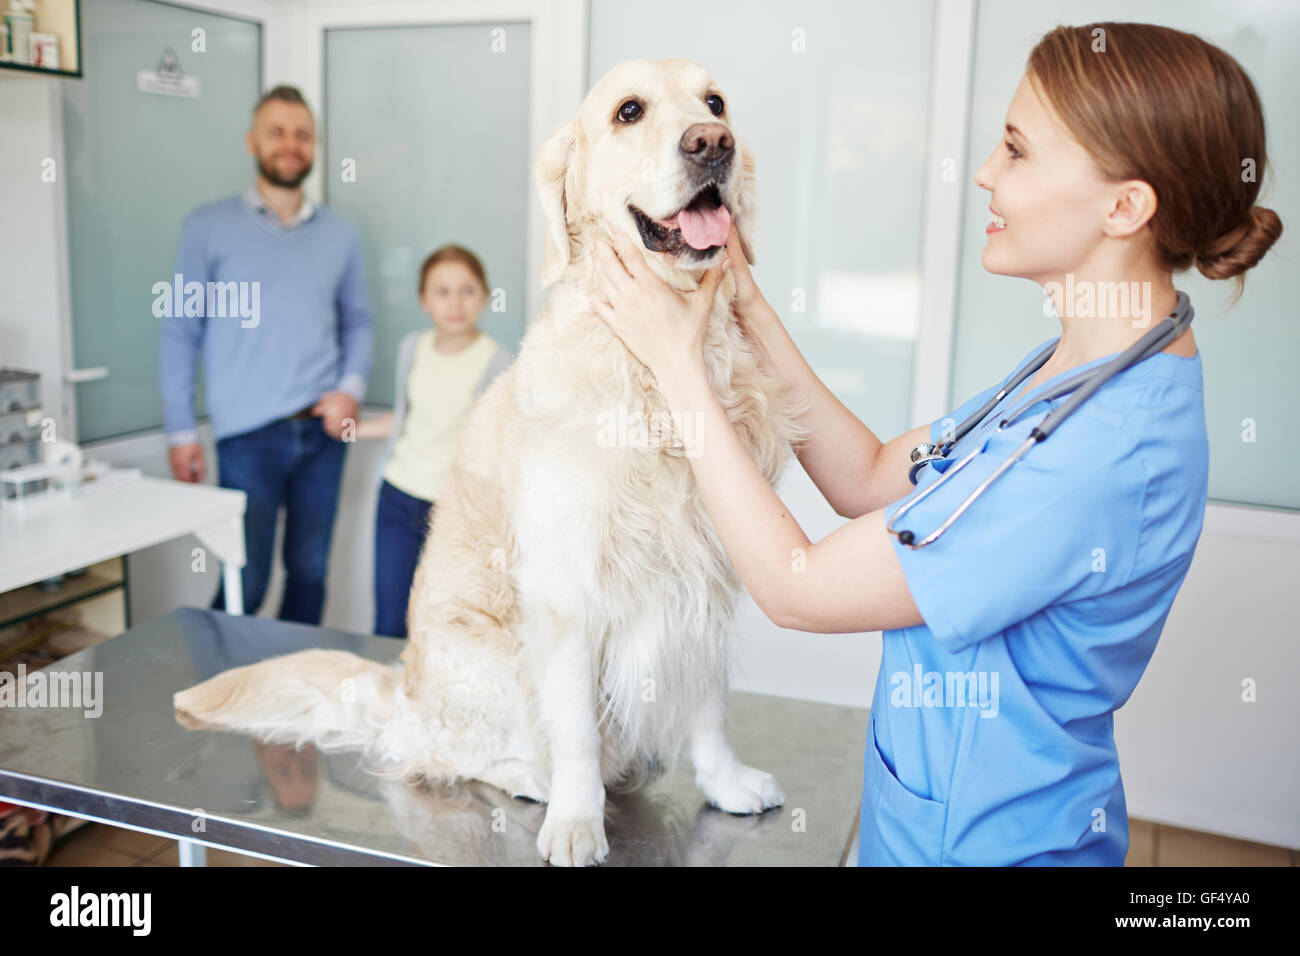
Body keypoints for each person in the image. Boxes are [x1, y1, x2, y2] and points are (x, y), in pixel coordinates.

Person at [590, 22, 1281, 865]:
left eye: (1018, 151)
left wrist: (677, 369)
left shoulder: (1099, 454)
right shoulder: (1085, 367)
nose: (985, 172)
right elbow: (875, 476)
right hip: (929, 820)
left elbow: (797, 588)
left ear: (1125, 206)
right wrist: (745, 301)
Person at [159, 85, 374, 625]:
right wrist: (181, 430)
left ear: (315, 147)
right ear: (252, 141)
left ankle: (289, 698)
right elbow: (180, 329)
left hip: (323, 436)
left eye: (302, 135)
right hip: (246, 437)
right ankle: (208, 690)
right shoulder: (207, 227)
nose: (290, 145)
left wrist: (350, 390)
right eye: (277, 132)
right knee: (246, 581)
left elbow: (359, 322)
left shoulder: (341, 235)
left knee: (309, 574)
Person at [357, 246, 512, 638]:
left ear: (484, 295)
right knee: (390, 621)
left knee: (443, 625)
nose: (455, 302)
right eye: (442, 292)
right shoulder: (412, 348)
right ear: (424, 300)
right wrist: (352, 430)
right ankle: (392, 698)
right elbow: (407, 416)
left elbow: (499, 442)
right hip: (396, 498)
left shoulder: (498, 362)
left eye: (467, 290)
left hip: (452, 511)